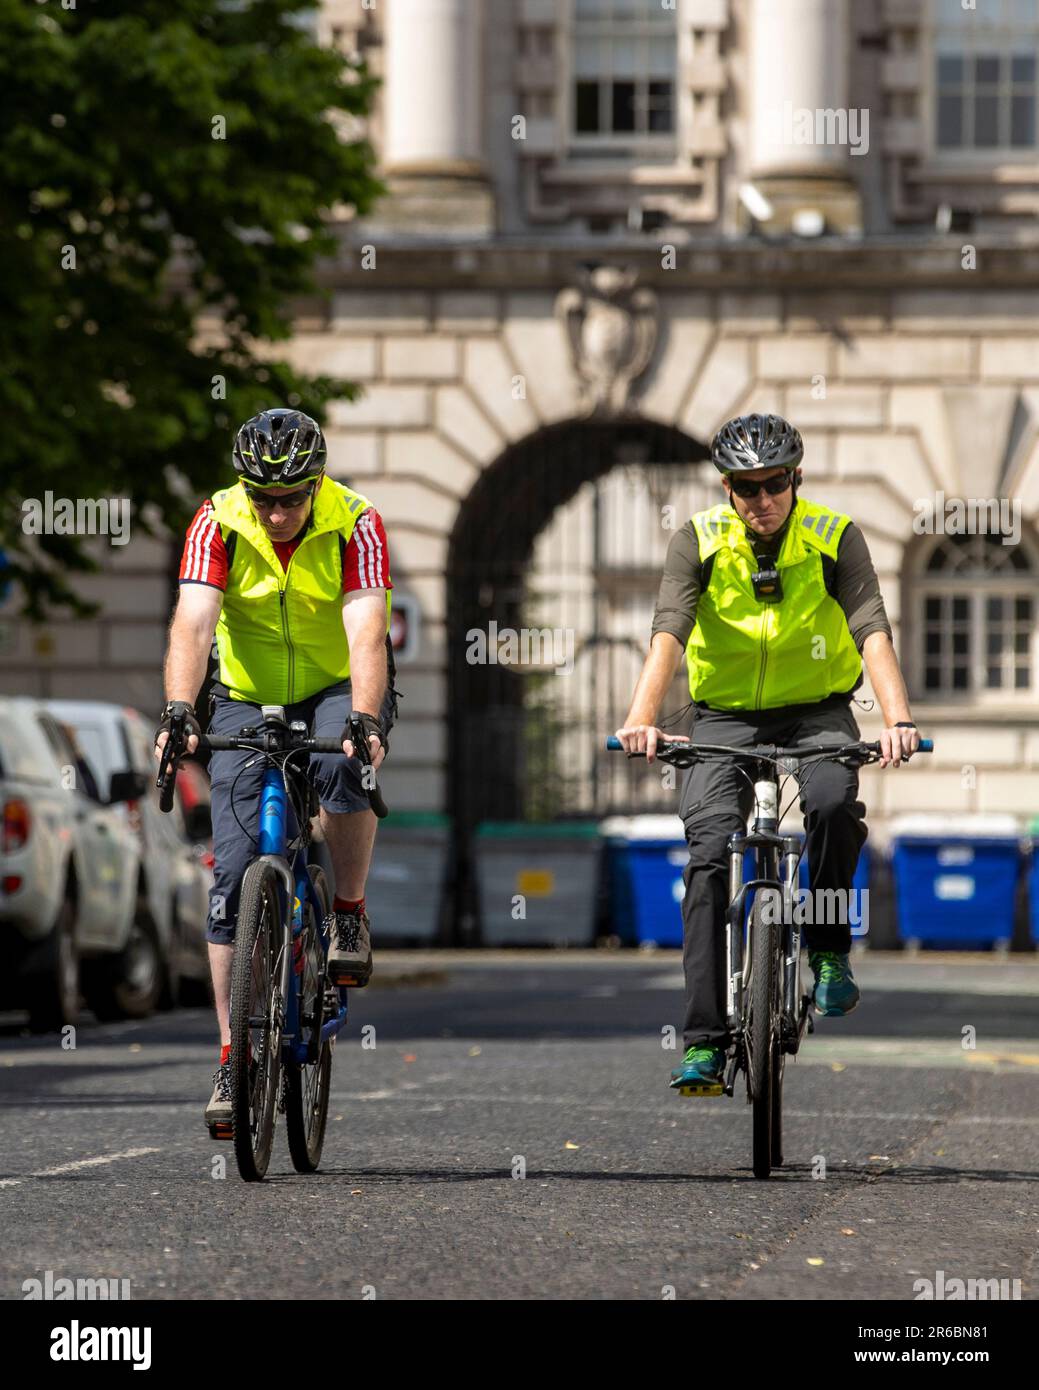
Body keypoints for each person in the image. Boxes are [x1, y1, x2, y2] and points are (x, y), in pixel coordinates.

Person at [615, 413, 919, 1094]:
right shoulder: (696, 540)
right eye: (746, 487)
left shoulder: (833, 537)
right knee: (704, 852)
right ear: (726, 488)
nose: (761, 500)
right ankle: (702, 1040)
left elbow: (870, 628)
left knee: (832, 804)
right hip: (721, 718)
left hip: (815, 711)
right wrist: (641, 718)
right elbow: (668, 632)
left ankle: (830, 949)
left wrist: (897, 718)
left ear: (795, 478)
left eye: (774, 484)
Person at [153, 407, 397, 1127]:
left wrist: (363, 716)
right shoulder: (218, 521)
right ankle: (233, 1058)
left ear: (316, 484)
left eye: (292, 497)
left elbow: (367, 627)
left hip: (332, 686)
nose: (279, 511)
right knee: (230, 881)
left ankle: (347, 913)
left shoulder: (356, 522)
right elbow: (194, 620)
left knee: (343, 770)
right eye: (265, 498)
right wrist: (178, 711)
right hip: (242, 692)